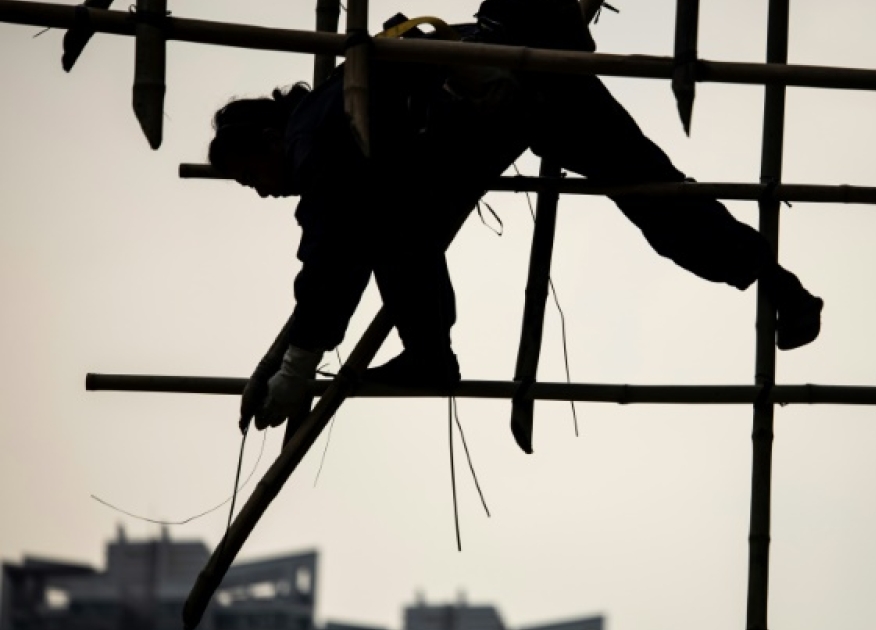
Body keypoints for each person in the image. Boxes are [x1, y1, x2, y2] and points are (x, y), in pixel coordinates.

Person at [217, 0, 824, 448]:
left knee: (391, 219)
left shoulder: (311, 132)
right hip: (533, 70)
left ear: (270, 136)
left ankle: (429, 357)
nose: (264, 191)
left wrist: (297, 367)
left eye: (252, 176)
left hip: (485, 99)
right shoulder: (338, 103)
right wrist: (287, 361)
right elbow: (334, 253)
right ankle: (781, 284)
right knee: (660, 196)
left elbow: (331, 248)